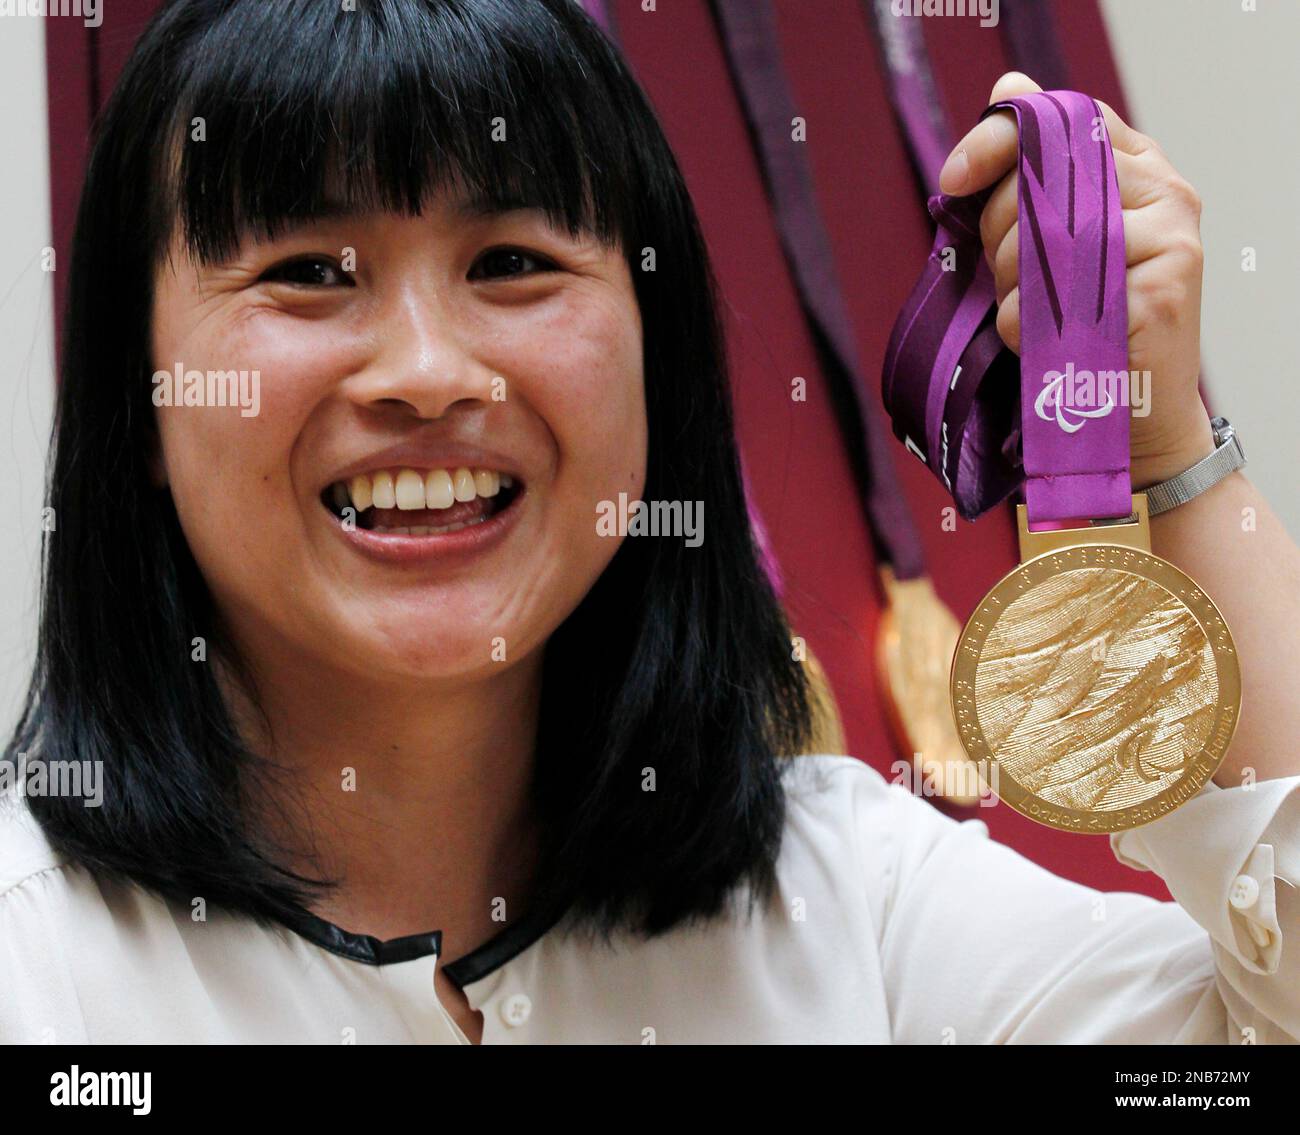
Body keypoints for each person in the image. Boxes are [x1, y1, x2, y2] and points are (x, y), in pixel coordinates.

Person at [2, 0, 1297, 1045]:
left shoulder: (854, 901)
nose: (428, 370)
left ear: (656, 367)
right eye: (304, 274)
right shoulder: (34, 965)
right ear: (142, 402)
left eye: (511, 263)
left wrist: (1169, 450)